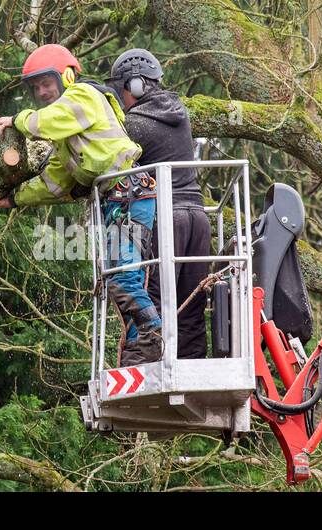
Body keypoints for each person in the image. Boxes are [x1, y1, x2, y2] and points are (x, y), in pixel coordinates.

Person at [0, 44, 164, 365]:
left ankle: (153, 333)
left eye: (46, 83)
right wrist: (10, 199)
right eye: (35, 87)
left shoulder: (83, 97)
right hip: (117, 198)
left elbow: (47, 121)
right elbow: (54, 184)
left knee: (123, 277)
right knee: (122, 280)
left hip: (130, 192)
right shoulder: (69, 141)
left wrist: (17, 120)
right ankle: (140, 352)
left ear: (65, 76)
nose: (41, 92)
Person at [108, 48, 212, 360]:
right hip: (197, 218)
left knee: (149, 295)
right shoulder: (178, 113)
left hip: (167, 219)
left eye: (120, 91)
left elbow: (109, 161)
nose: (121, 99)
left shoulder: (136, 125)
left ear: (135, 86)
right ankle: (192, 367)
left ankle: (140, 368)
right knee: (191, 306)